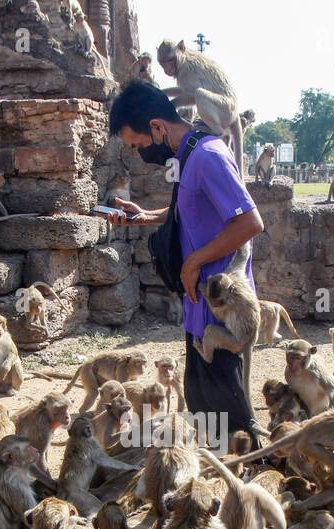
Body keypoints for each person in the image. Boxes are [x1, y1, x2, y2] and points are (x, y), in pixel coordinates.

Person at [107, 81, 264, 441]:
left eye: (140, 144)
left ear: (157, 127)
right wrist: (145, 216)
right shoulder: (188, 156)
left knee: (229, 414)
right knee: (202, 403)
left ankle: (251, 470)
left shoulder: (208, 155)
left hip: (224, 308)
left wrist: (193, 261)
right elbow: (193, 211)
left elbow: (249, 222)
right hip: (200, 306)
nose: (140, 152)